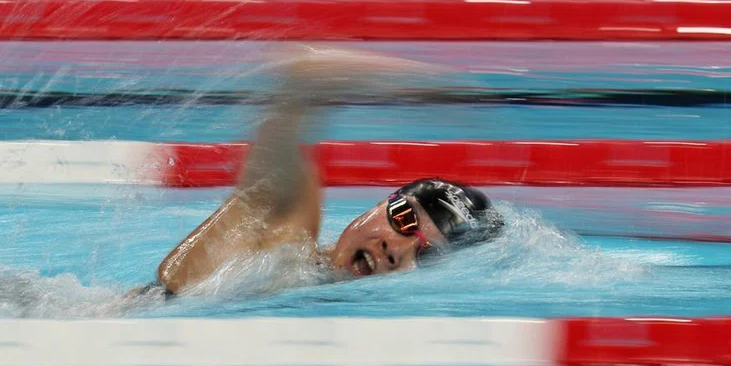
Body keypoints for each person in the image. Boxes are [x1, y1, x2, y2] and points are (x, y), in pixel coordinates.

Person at [130, 46, 503, 299]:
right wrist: (423, 83)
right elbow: (303, 76)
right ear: (376, 207)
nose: (396, 249)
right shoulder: (283, 229)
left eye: (426, 256)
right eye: (404, 220)